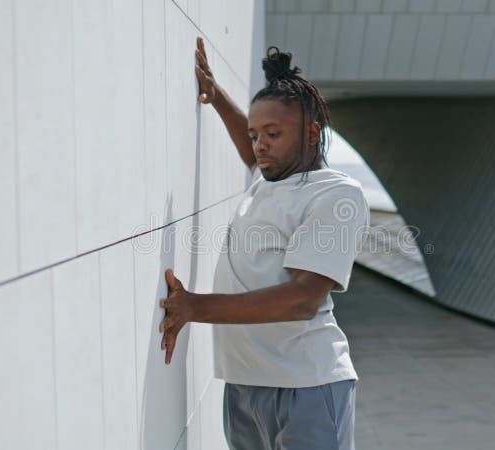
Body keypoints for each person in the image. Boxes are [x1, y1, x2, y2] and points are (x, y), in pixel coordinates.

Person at [158, 36, 369, 450]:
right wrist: (216, 97)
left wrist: (196, 306)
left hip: (307, 386)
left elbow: (302, 298)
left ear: (311, 134)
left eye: (273, 133)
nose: (260, 145)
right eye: (256, 135)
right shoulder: (269, 179)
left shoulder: (336, 196)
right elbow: (252, 155)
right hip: (243, 384)